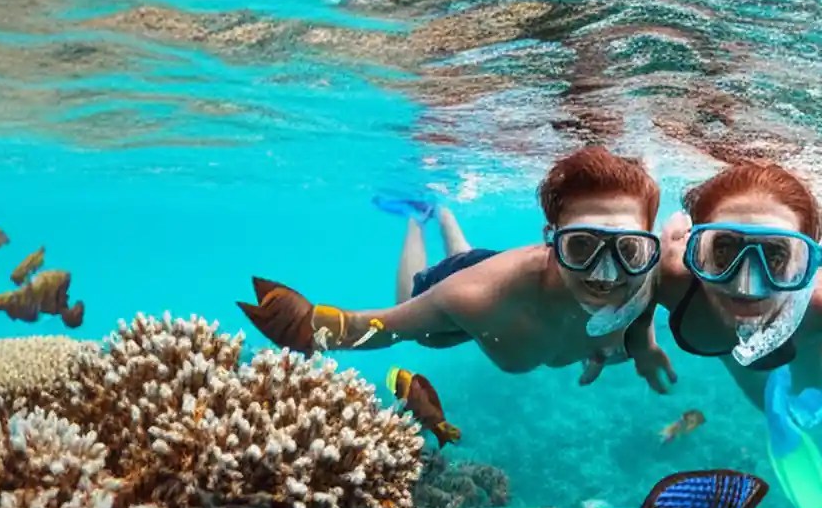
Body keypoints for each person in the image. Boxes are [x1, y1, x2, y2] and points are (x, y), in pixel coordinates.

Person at [237, 146, 678, 393]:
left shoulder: (648, 273)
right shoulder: (474, 296)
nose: (606, 273)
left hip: (497, 281)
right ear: (551, 240)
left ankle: (447, 217)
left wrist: (643, 345)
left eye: (628, 249)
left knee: (475, 264)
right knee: (415, 310)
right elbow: (383, 326)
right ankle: (418, 215)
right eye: (581, 246)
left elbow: (645, 293)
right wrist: (308, 328)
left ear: (648, 245)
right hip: (481, 280)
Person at [629, 160, 822, 508]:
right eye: (723, 250)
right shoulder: (672, 276)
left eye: (775, 255)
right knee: (770, 408)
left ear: (806, 265)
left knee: (816, 401)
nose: (746, 286)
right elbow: (638, 298)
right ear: (698, 252)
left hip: (803, 344)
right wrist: (644, 348)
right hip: (734, 354)